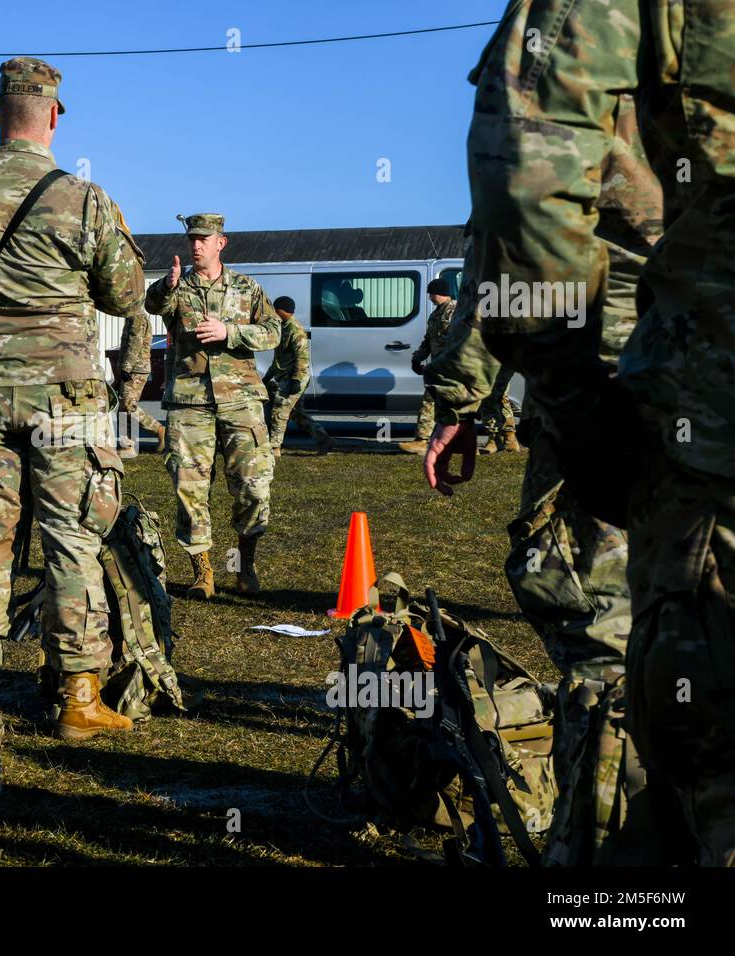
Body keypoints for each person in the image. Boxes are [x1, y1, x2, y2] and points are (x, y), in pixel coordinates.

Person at [428, 0, 734, 865]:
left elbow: (518, 209)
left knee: (613, 648)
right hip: (670, 391)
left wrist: (561, 401)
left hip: (660, 397)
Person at [0, 56, 147, 740]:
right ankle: (78, 698)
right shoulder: (84, 198)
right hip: (66, 403)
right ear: (53, 115)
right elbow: (126, 296)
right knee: (71, 539)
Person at [145, 213, 280, 598]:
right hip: (190, 401)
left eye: (204, 238)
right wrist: (165, 286)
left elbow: (273, 331)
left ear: (221, 243)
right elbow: (151, 305)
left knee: (254, 486)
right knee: (190, 488)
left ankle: (244, 564)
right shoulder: (177, 287)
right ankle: (202, 571)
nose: (196, 245)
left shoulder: (246, 287)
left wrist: (230, 332)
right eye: (192, 239)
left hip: (241, 400)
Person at [263, 296, 335, 456]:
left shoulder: (295, 331)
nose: (274, 313)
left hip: (294, 379)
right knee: (297, 414)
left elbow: (302, 358)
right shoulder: (283, 328)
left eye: (276, 310)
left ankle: (274, 448)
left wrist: (296, 380)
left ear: (281, 310)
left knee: (279, 411)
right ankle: (324, 440)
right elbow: (278, 360)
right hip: (285, 378)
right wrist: (268, 377)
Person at [398, 278, 456, 455]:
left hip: (451, 367)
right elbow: (429, 340)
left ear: (439, 293)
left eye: (432, 294)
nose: (430, 297)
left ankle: (425, 440)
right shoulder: (436, 314)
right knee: (435, 402)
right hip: (438, 367)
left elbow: (462, 340)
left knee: (445, 403)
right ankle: (426, 440)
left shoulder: (455, 311)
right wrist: (417, 359)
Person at [114, 303, 167, 460]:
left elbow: (134, 343)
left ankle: (158, 429)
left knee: (128, 406)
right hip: (131, 368)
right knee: (123, 409)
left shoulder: (138, 317)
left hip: (136, 369)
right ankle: (127, 446)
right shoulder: (132, 317)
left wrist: (126, 367)